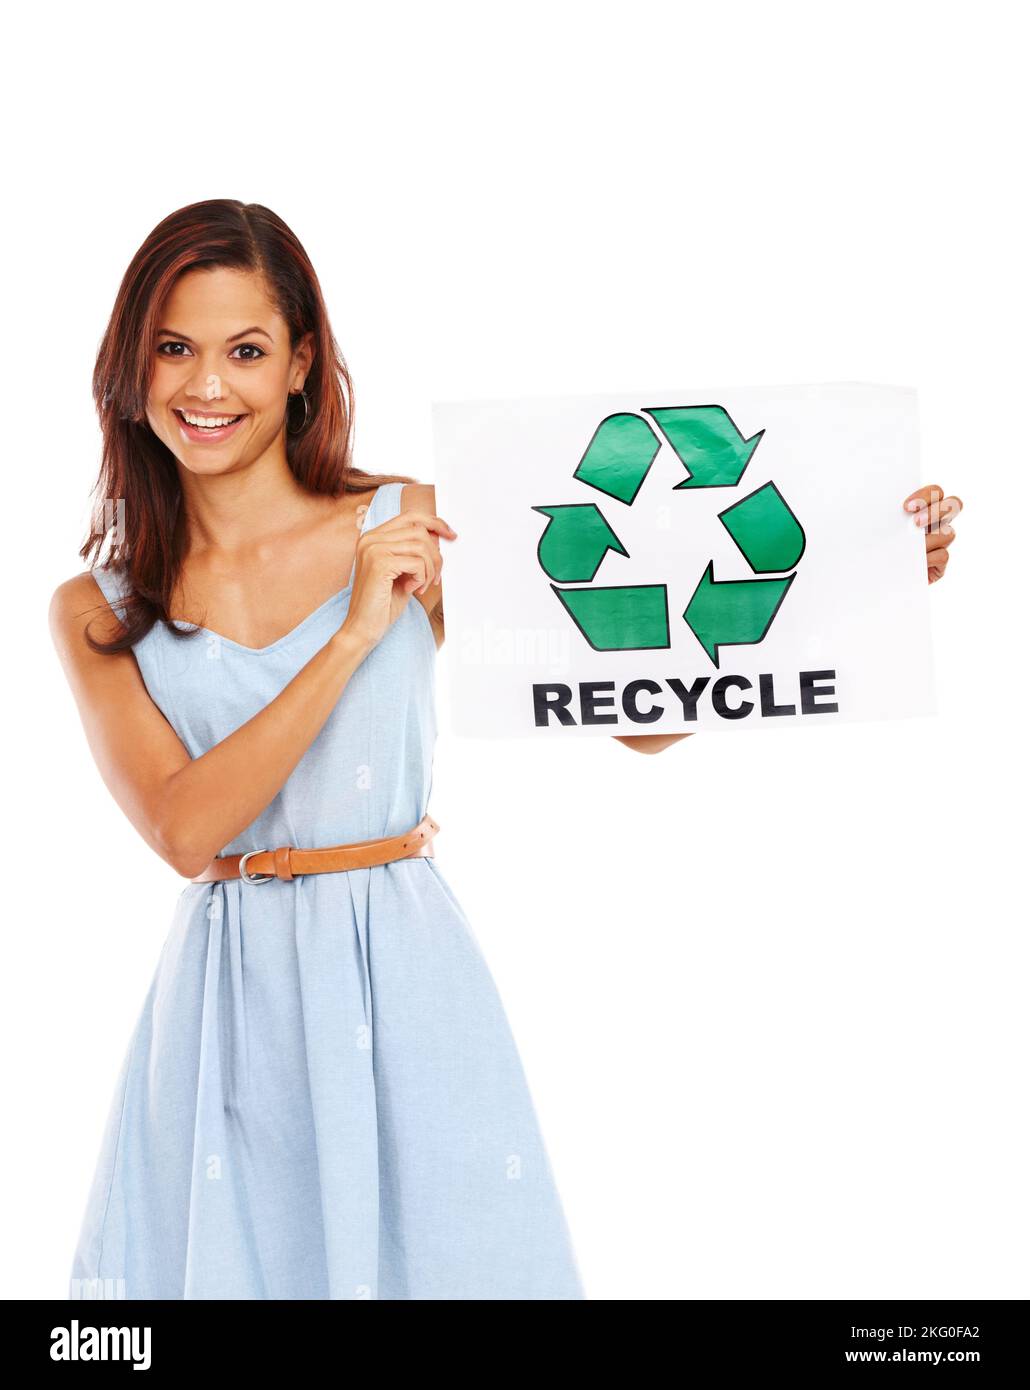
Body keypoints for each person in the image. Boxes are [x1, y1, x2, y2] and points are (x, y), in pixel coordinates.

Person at [49, 199, 962, 1301]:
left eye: (245, 350)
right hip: (226, 1008)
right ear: (130, 364)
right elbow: (187, 828)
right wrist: (352, 634)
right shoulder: (100, 604)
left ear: (300, 364)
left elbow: (635, 713)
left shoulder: (421, 521)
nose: (207, 387)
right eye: (174, 348)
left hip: (406, 972)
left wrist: (852, 584)